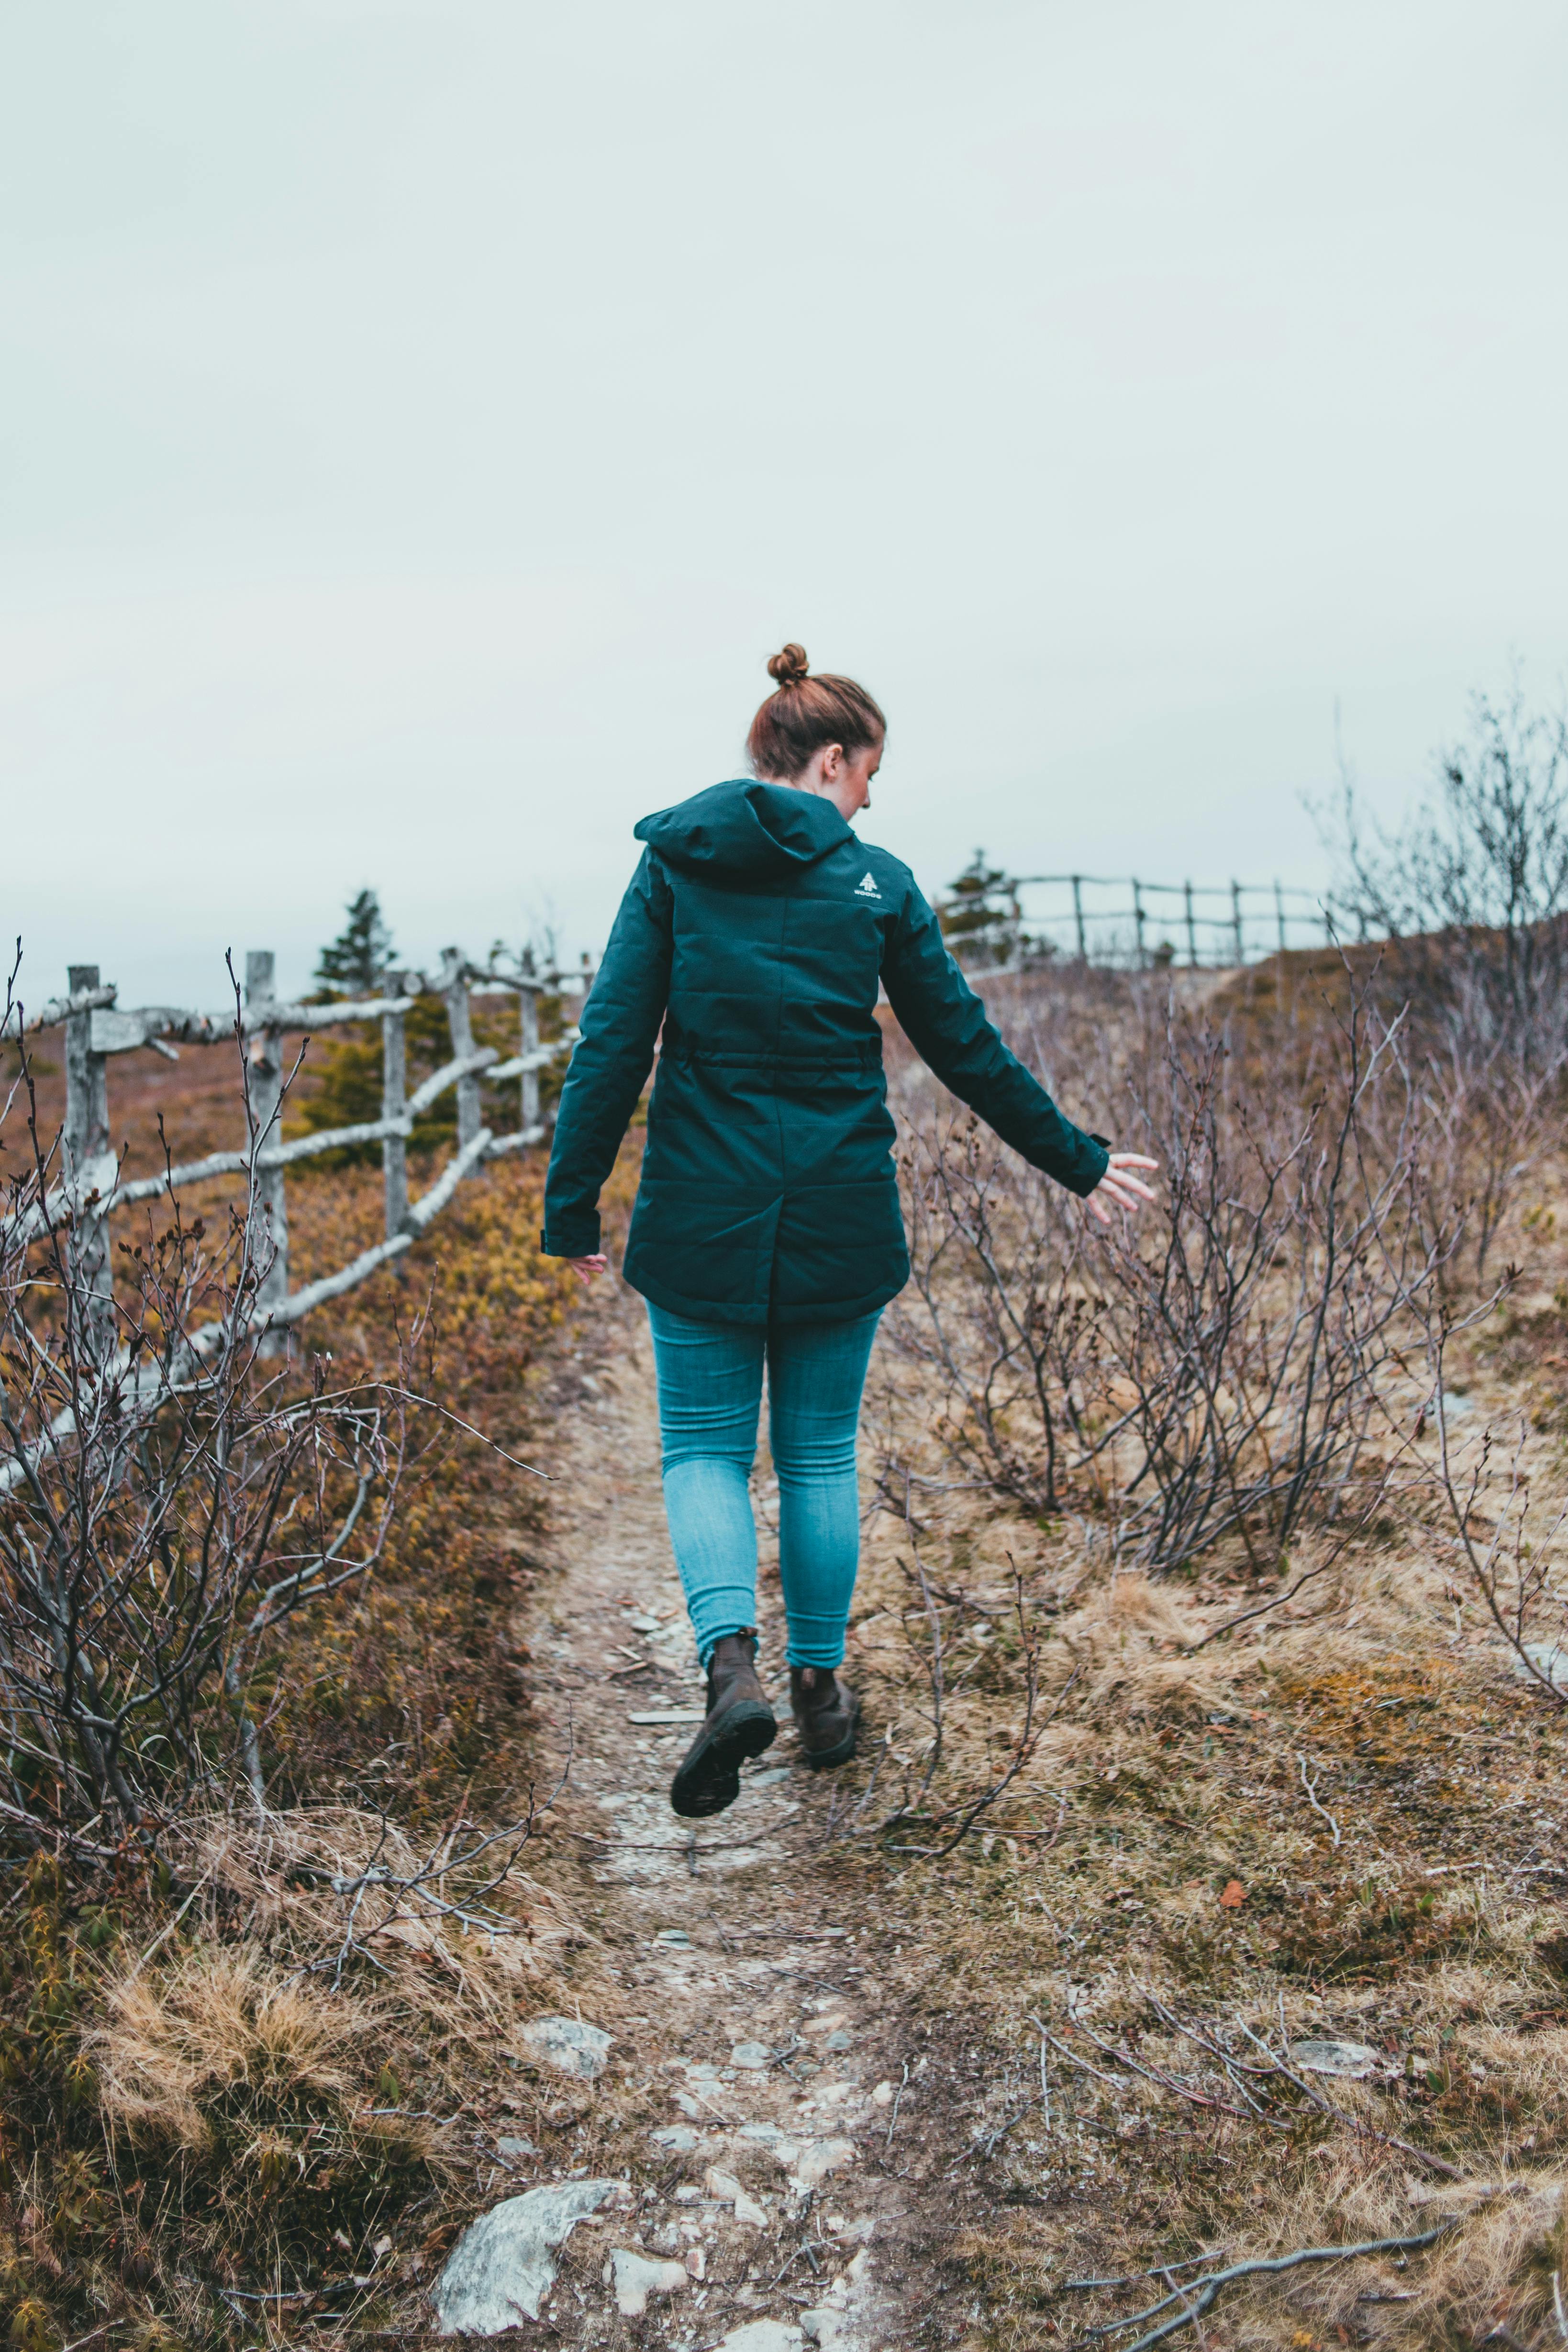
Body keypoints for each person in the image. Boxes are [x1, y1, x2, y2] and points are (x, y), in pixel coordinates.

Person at [541, 645, 1157, 1819]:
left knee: (704, 1450)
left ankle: (731, 1668)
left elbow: (612, 1039)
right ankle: (819, 1691)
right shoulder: (878, 883)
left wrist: (572, 1202)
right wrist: (1076, 1161)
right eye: (870, 771)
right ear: (829, 761)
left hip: (701, 1209)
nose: (871, 797)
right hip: (839, 1208)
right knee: (818, 1454)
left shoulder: (672, 867)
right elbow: (963, 1046)